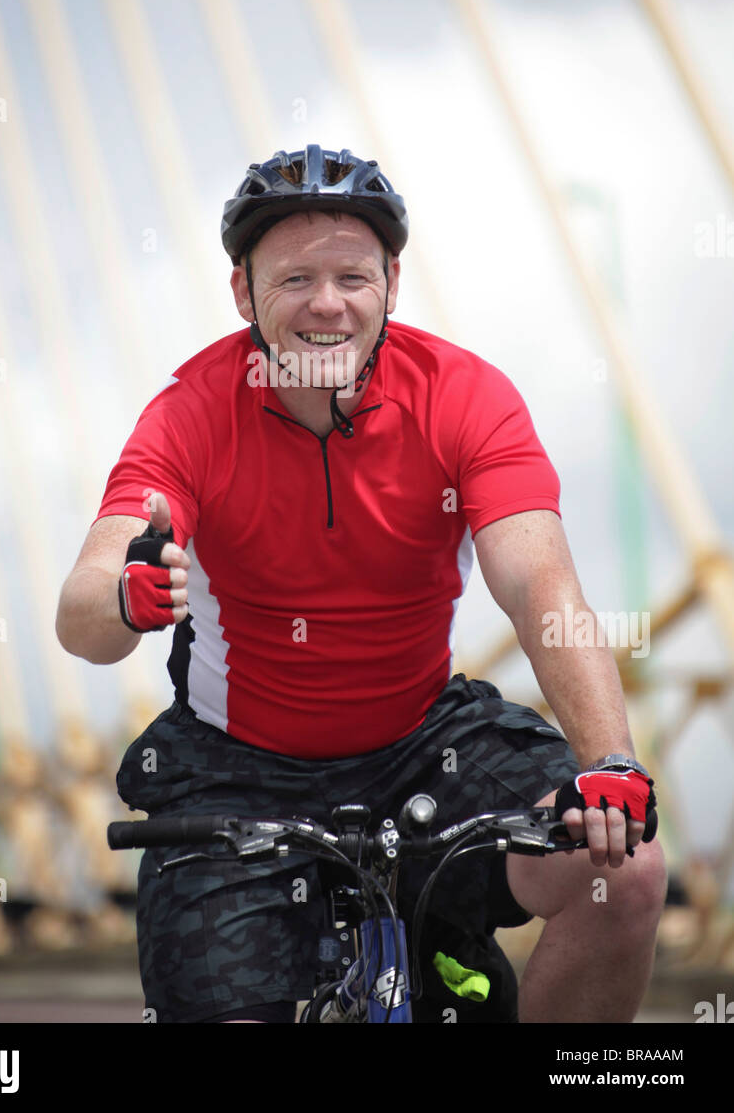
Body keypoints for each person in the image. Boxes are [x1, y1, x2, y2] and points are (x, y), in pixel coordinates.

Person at [56, 144, 666, 1024]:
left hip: (424, 742)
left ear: (391, 285)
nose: (327, 304)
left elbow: (542, 590)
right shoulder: (190, 411)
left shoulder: (466, 397)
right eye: (295, 278)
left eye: (352, 276)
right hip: (235, 770)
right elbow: (84, 613)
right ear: (243, 295)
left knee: (628, 870)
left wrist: (611, 759)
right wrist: (124, 594)